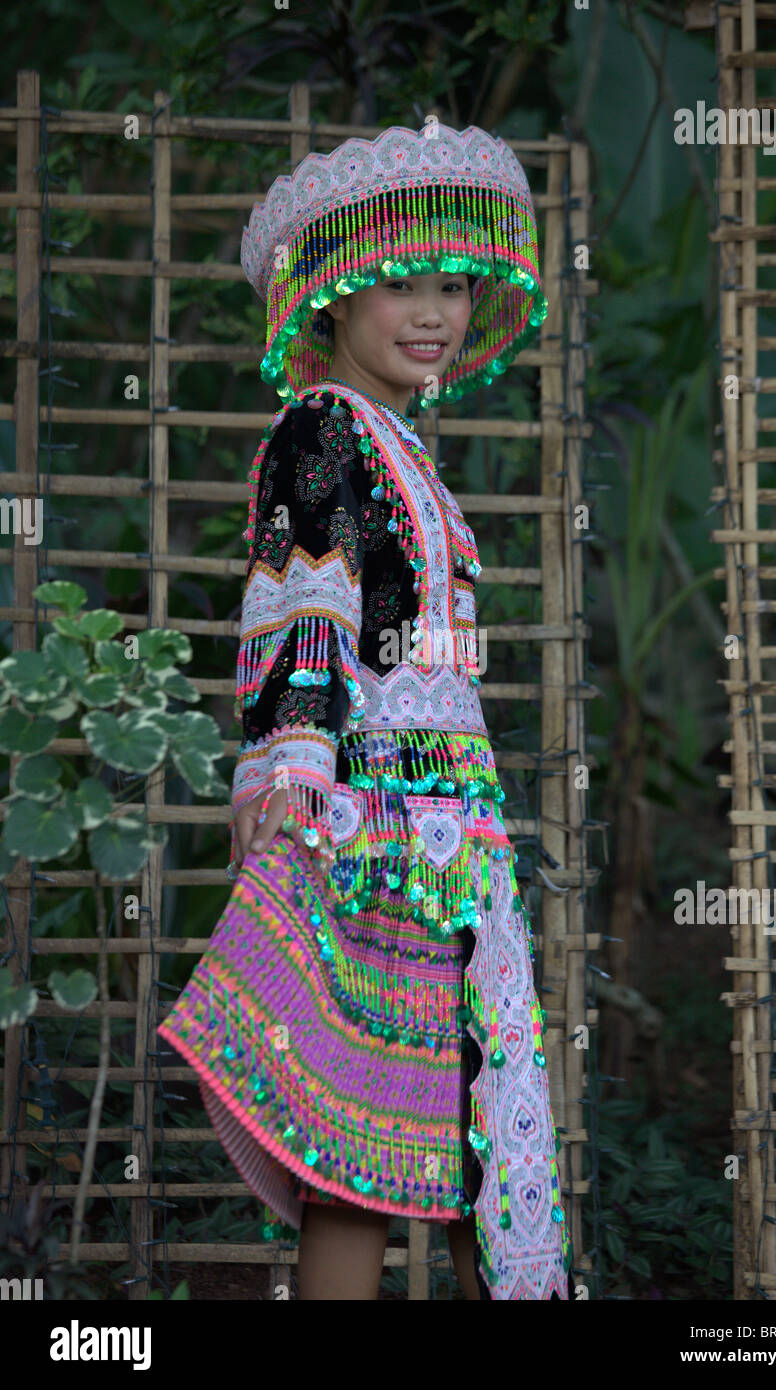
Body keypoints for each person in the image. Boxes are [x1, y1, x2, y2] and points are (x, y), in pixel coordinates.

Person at [157, 122, 575, 1300]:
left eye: (451, 284)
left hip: (452, 831)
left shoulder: (404, 446)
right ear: (332, 296)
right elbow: (302, 611)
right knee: (370, 1155)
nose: (432, 310)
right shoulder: (321, 429)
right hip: (379, 836)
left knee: (462, 1140)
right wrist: (289, 777)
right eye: (398, 283)